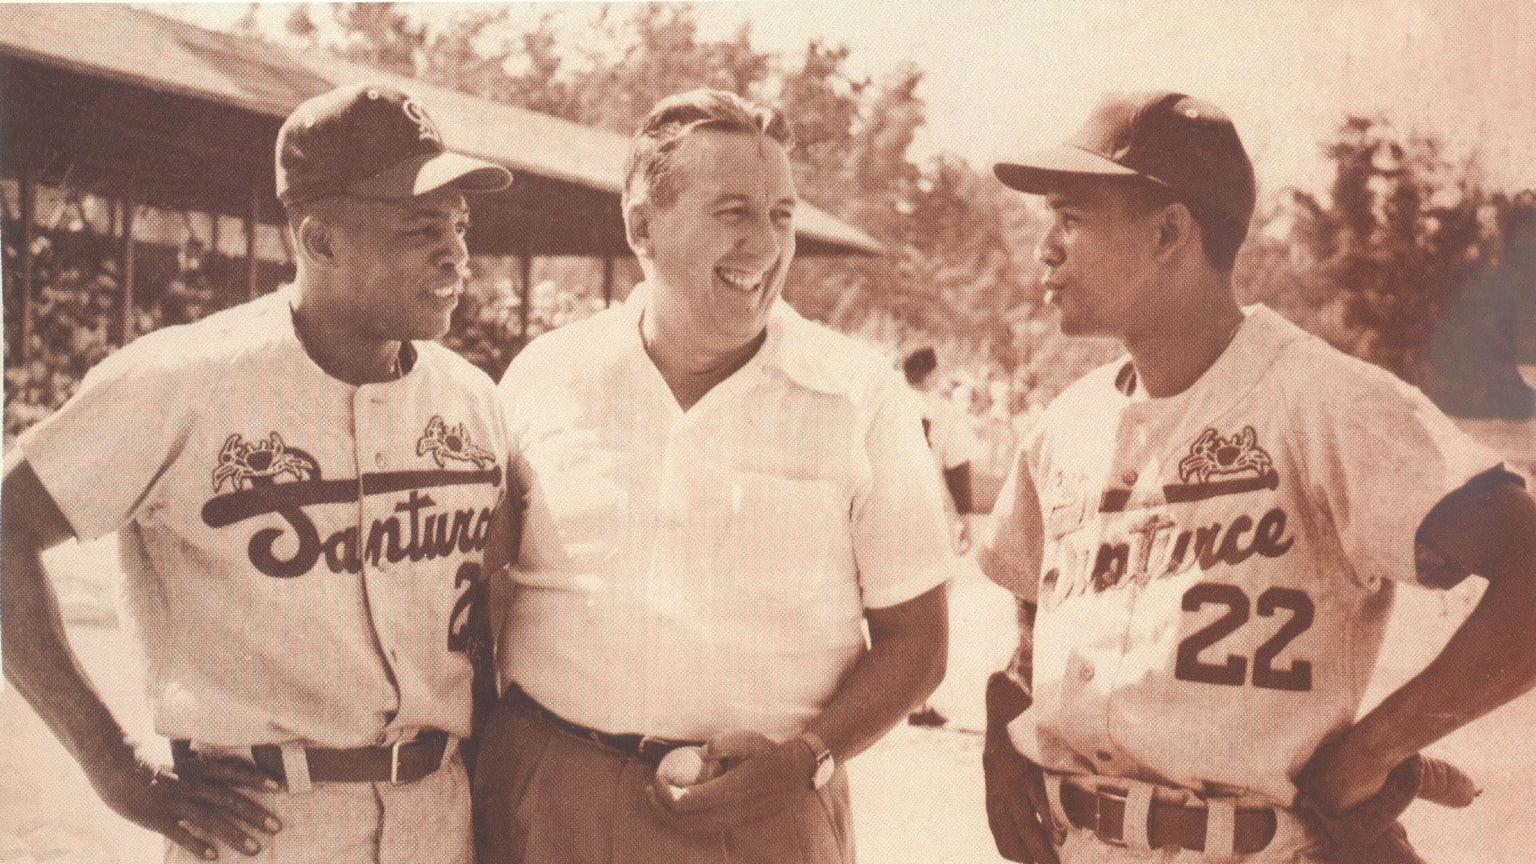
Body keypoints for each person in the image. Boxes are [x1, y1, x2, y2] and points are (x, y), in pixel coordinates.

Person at [977, 91, 1536, 864]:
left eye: (1070, 219)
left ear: (1169, 232)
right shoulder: (1064, 426)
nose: (1045, 248)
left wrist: (1377, 747)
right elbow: (1033, 606)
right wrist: (1003, 731)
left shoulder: (1324, 401)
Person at [2, 83, 512, 863]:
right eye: (421, 229)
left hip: (441, 811)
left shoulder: (473, 398)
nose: (456, 254)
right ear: (320, 241)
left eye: (460, 226)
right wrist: (112, 764)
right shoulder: (182, 380)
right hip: (266, 819)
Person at [474, 88, 955, 864]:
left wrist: (807, 759)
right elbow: (481, 593)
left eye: (781, 216)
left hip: (768, 811)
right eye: (734, 213)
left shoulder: (857, 394)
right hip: (551, 801)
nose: (764, 246)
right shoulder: (547, 374)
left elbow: (918, 641)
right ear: (642, 226)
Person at [902, 346, 979, 555]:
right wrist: (967, 523)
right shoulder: (944, 410)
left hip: (887, 508)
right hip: (928, 508)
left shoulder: (888, 405)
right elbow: (957, 470)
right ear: (930, 375)